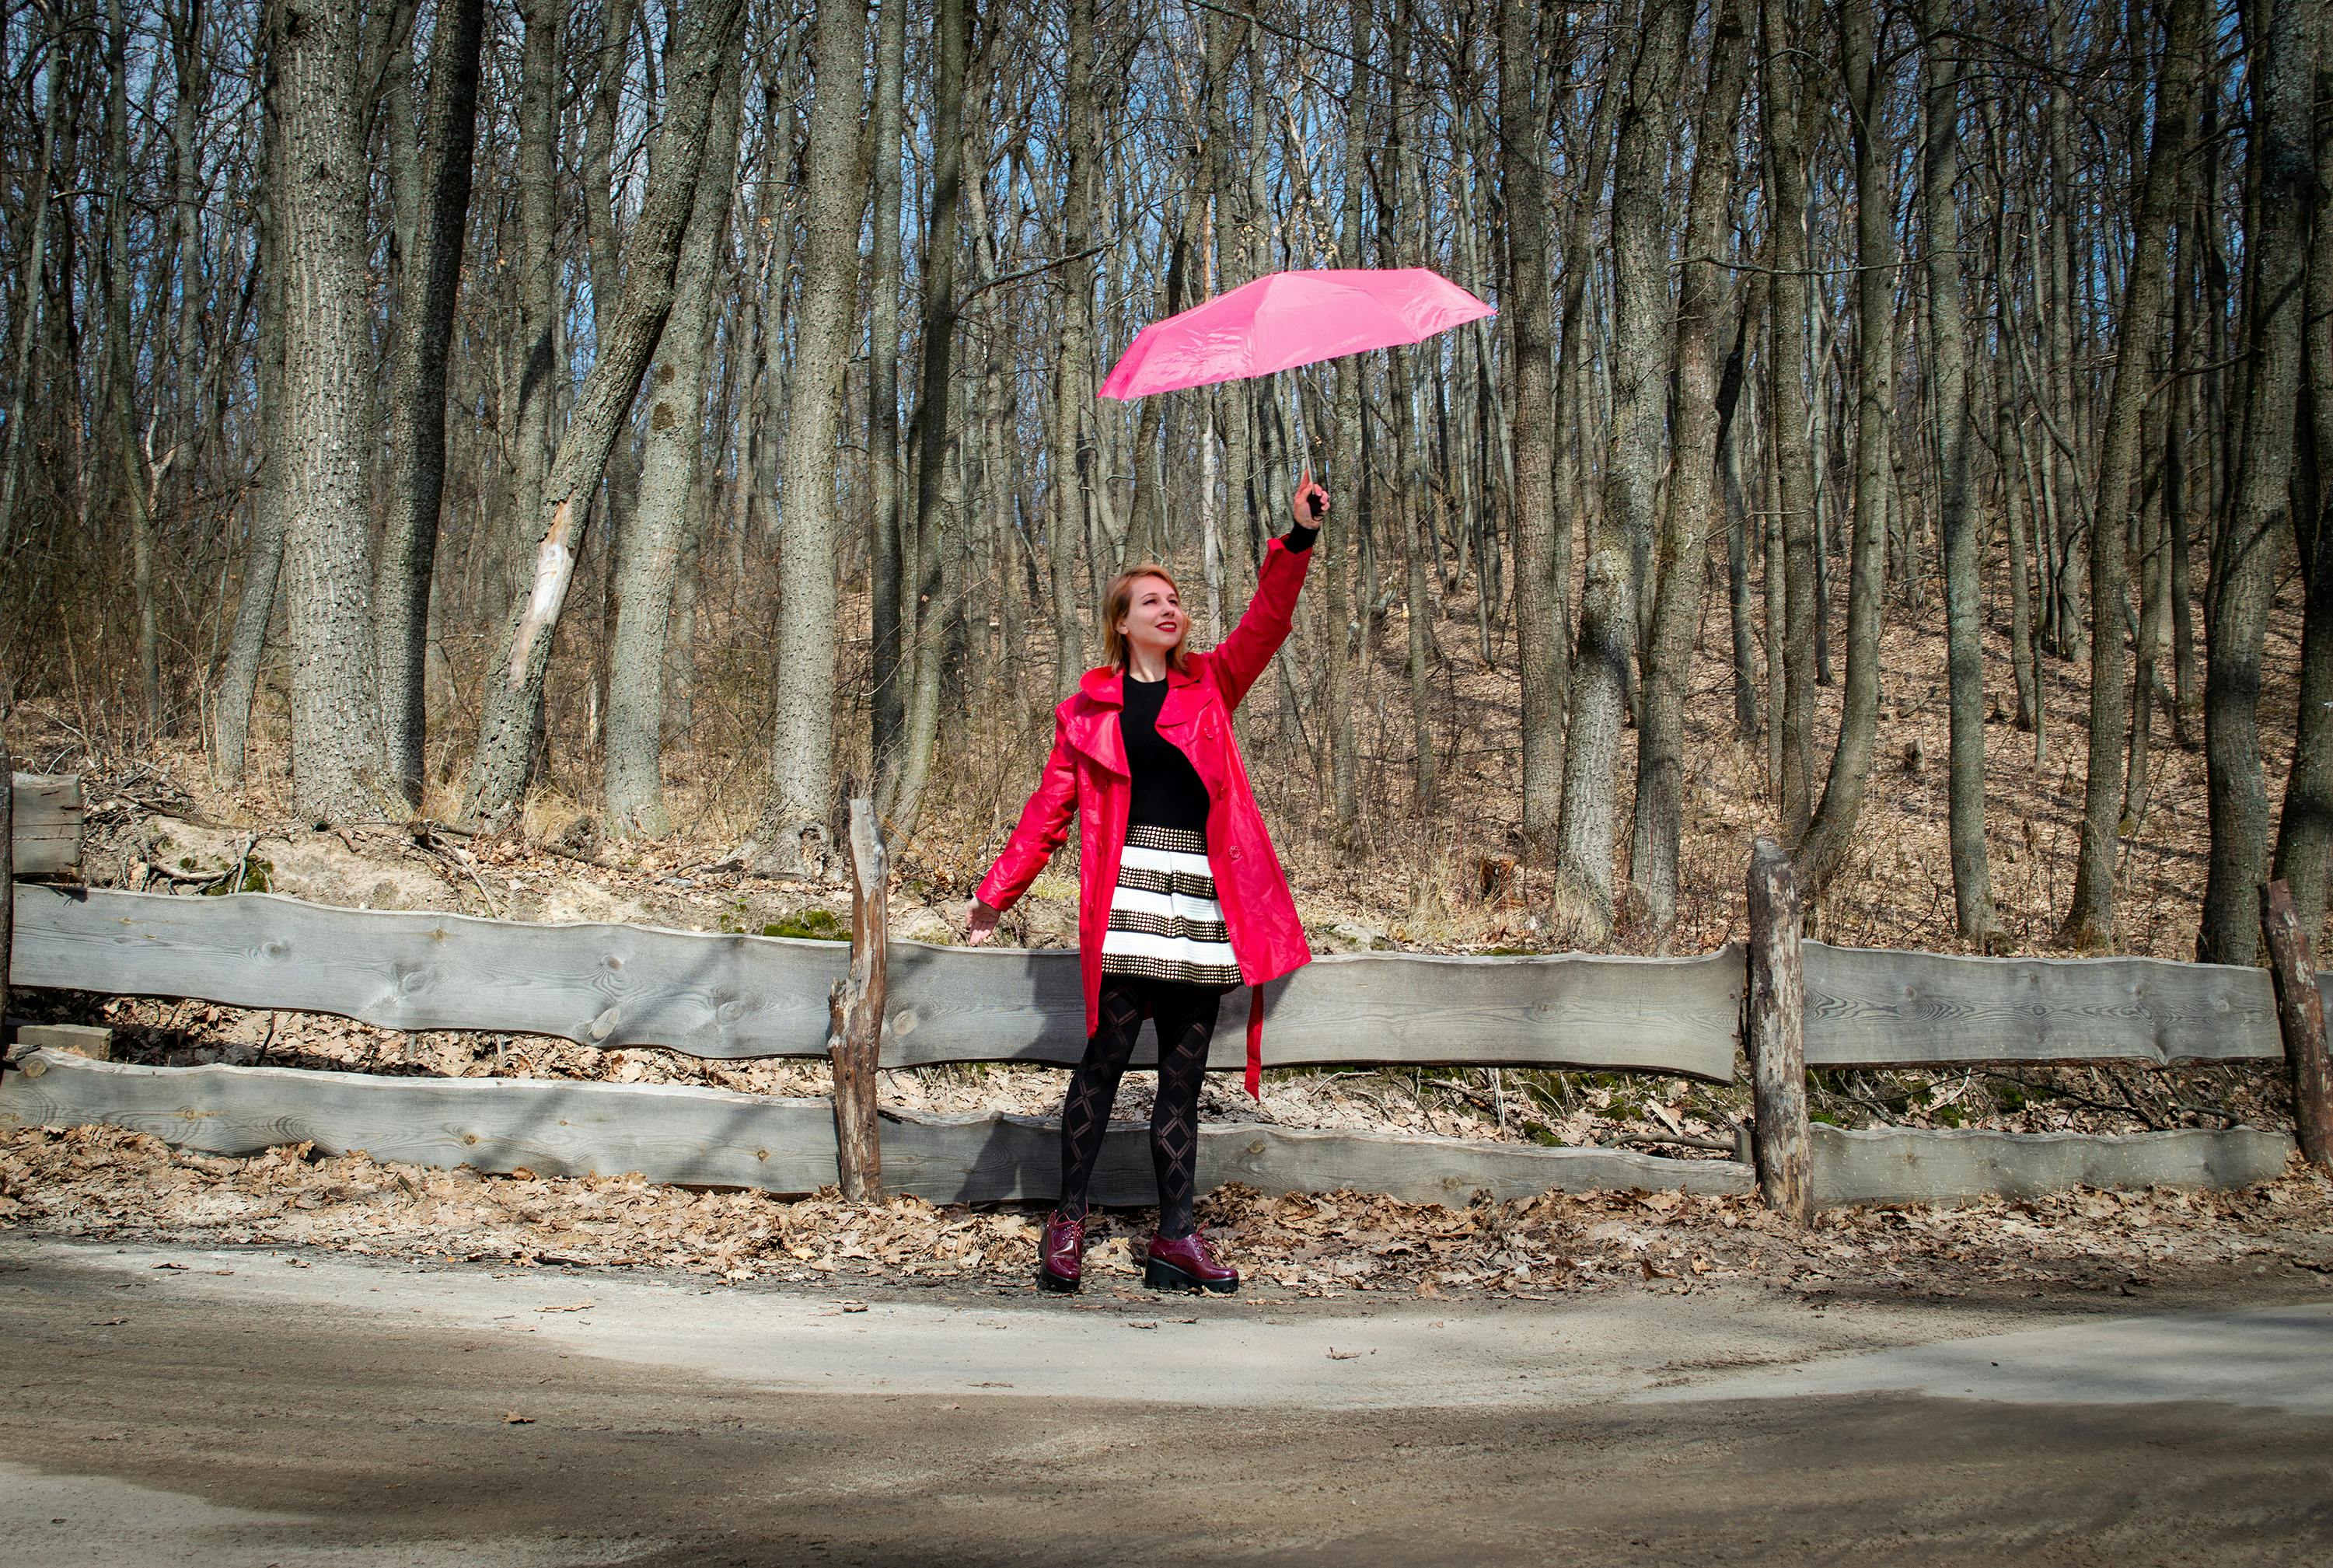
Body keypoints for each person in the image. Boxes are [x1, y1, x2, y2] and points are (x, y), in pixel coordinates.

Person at [966, 474, 1328, 1294]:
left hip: (1201, 898)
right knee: (1100, 1064)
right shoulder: (1086, 712)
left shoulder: (1212, 686)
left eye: (1175, 599)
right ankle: (1067, 1226)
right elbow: (1047, 813)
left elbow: (1266, 623)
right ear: (1122, 622)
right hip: (1128, 898)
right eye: (1151, 601)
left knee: (1182, 1080)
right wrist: (997, 893)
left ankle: (1174, 1239)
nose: (1170, 609)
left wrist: (1296, 538)